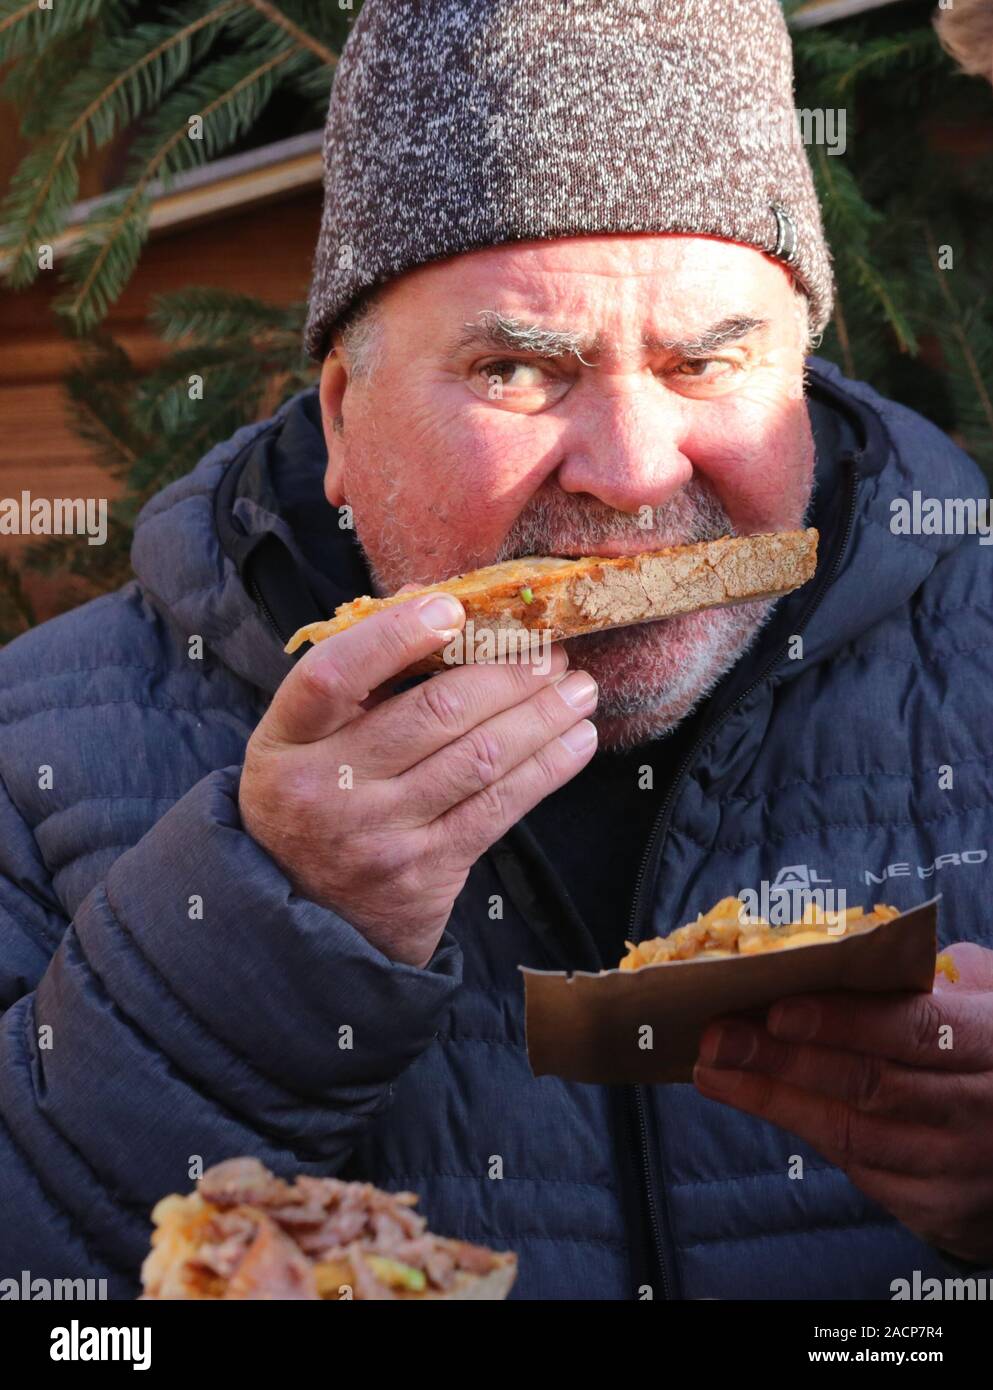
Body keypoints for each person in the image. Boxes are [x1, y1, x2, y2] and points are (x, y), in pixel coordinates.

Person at [1, 0, 991, 1300]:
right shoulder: (32, 756)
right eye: (516, 370)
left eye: (708, 362)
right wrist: (266, 935)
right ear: (344, 416)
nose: (632, 473)